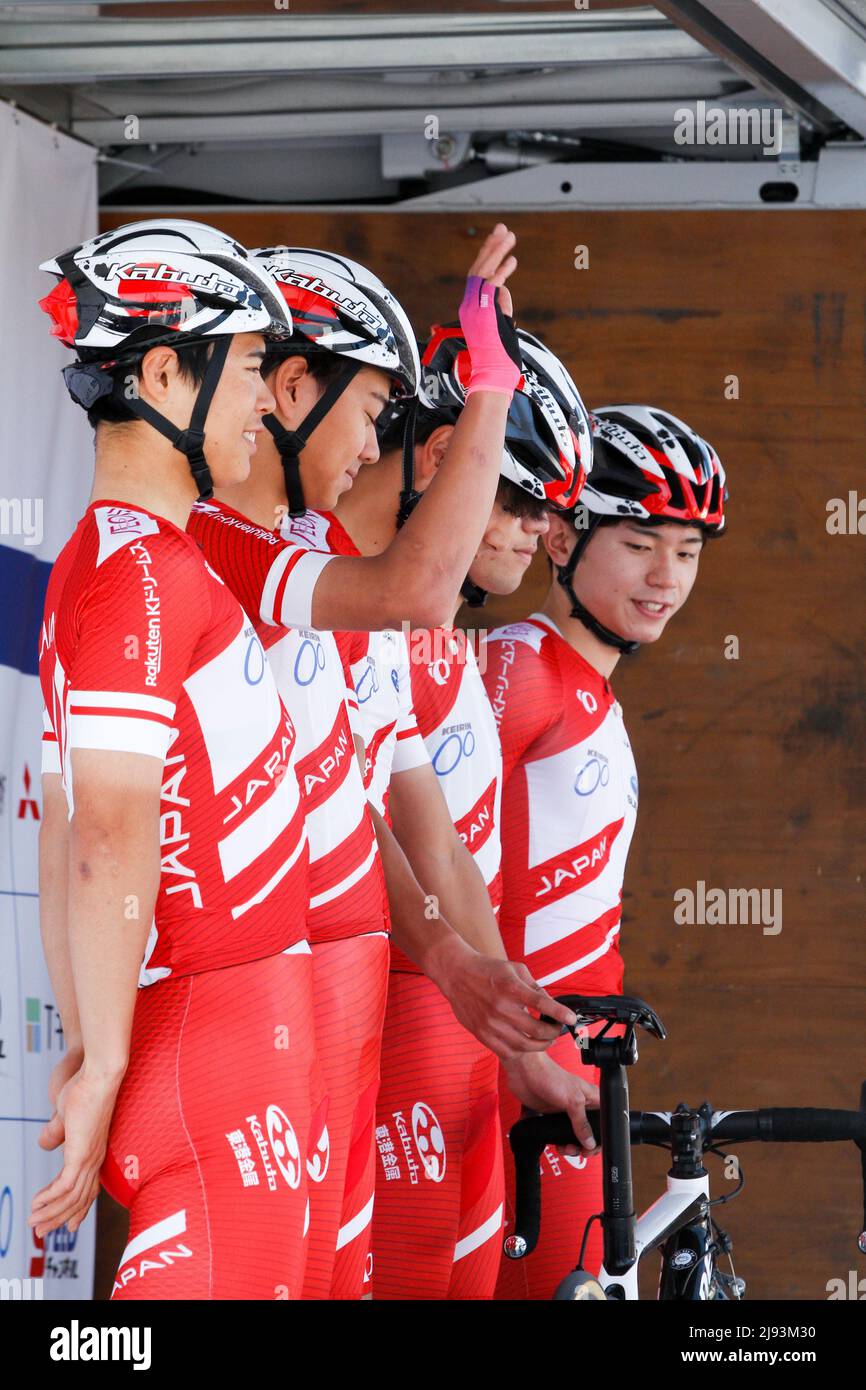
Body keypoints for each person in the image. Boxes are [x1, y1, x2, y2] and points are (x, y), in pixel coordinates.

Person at [185, 229, 582, 1298]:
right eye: (371, 410)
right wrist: (487, 385)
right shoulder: (226, 544)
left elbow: (411, 828)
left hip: (354, 1009)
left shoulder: (315, 569)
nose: (374, 440)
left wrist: (481, 987)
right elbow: (411, 591)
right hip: (280, 1015)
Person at [32, 219, 321, 1299]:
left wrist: (88, 1032)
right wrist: (102, 1055)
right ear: (163, 371)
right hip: (216, 1053)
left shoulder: (133, 560)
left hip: (219, 1043)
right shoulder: (138, 570)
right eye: (250, 366)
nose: (265, 399)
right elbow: (104, 832)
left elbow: (66, 827)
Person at [308, 323, 599, 1298]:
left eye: (541, 510)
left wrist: (516, 1040)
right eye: (509, 496)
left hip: (451, 1041)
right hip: (377, 1031)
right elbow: (367, 830)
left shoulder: (420, 630)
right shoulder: (338, 586)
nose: (529, 530)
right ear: (437, 455)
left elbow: (450, 851)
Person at [482, 403, 727, 1299]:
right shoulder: (521, 665)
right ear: (560, 539)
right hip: (508, 1071)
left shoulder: (586, 688)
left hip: (575, 1062)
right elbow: (446, 873)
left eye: (689, 551)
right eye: (639, 542)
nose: (666, 576)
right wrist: (514, 1057)